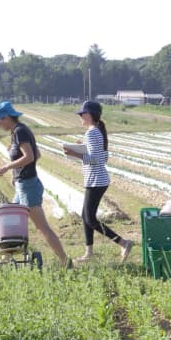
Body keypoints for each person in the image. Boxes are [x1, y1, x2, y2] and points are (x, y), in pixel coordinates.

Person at [0, 101, 71, 268]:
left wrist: (7, 167)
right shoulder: (17, 132)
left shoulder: (20, 131)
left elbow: (30, 157)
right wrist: (16, 173)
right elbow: (37, 154)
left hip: (28, 186)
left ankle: (65, 261)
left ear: (6, 117)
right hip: (23, 184)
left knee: (42, 228)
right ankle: (7, 260)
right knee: (12, 223)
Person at [62, 100, 133, 263]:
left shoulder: (92, 132)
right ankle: (89, 253)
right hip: (96, 180)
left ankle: (123, 243)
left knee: (90, 219)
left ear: (90, 115)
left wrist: (75, 154)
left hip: (96, 181)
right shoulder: (95, 132)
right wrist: (82, 147)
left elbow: (96, 160)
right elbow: (102, 156)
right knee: (86, 215)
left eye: (82, 113)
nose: (80, 116)